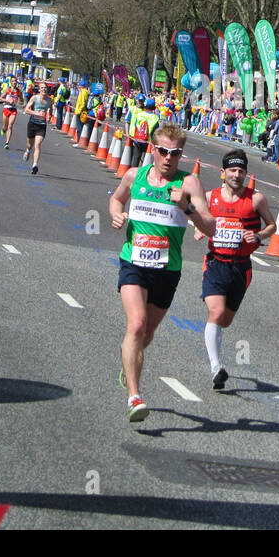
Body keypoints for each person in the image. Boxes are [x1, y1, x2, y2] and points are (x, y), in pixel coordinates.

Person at [109, 124, 216, 422]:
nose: (169, 158)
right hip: (133, 263)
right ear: (152, 150)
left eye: (176, 152)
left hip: (167, 269)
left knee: (147, 333)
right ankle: (134, 396)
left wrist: (186, 207)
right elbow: (117, 198)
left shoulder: (190, 183)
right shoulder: (135, 176)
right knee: (136, 325)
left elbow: (210, 228)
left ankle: (129, 359)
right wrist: (116, 213)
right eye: (163, 151)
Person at [191, 149, 276, 390]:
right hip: (216, 263)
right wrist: (201, 228)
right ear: (223, 173)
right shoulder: (210, 197)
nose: (237, 175)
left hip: (241, 268)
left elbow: (272, 226)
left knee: (225, 320)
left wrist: (258, 236)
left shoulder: (256, 199)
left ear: (246, 174)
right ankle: (216, 367)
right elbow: (198, 218)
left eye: (241, 171)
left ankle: (216, 356)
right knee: (216, 313)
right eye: (232, 170)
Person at [22, 82, 51, 173]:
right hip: (32, 124)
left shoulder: (50, 100)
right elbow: (26, 110)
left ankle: (35, 165)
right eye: (42, 88)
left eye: (45, 88)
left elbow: (50, 109)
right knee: (30, 144)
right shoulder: (35, 98)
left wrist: (49, 115)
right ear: (39, 90)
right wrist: (37, 113)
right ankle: (27, 150)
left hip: (41, 125)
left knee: (37, 144)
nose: (44, 89)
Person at [0, 76, 24, 149]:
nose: (14, 82)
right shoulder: (7, 90)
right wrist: (8, 101)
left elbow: (22, 102)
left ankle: (7, 143)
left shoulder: (19, 91)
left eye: (16, 81)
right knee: (5, 127)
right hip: (6, 109)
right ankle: (3, 129)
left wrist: (18, 101)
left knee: (10, 126)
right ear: (11, 82)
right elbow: (0, 99)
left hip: (13, 110)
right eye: (13, 81)